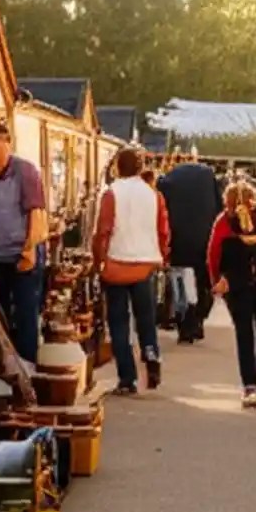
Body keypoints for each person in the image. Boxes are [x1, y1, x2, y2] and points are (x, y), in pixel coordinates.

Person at [92, 147, 170, 395]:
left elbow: (103, 231)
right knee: (146, 318)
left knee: (118, 321)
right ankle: (151, 352)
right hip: (145, 263)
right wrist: (162, 255)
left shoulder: (111, 193)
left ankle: (127, 378)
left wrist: (98, 261)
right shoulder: (153, 195)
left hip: (117, 263)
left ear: (117, 167)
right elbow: (163, 230)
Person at [0, 123, 48, 366]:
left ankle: (27, 368)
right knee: (1, 314)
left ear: (7, 143)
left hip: (21, 254)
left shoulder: (24, 171)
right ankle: (5, 366)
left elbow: (36, 212)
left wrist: (29, 250)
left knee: (25, 314)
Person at [207, 181, 256, 407]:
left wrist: (216, 281)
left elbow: (213, 253)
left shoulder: (223, 222)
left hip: (235, 284)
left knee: (244, 333)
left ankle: (250, 384)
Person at [158, 157, 223, 343]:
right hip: (204, 239)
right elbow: (219, 209)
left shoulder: (168, 181)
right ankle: (198, 320)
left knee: (180, 282)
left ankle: (185, 324)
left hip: (178, 238)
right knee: (203, 282)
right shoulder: (208, 178)